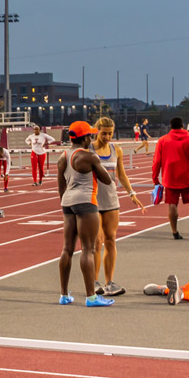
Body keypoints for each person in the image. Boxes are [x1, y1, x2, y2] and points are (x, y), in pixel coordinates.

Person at [56, 121, 115, 307]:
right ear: (85, 138)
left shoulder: (63, 156)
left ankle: (64, 295)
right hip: (86, 201)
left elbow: (60, 187)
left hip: (68, 202)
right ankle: (91, 297)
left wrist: (66, 202)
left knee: (67, 249)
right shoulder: (89, 157)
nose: (91, 138)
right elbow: (107, 180)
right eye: (90, 135)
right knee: (88, 249)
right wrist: (97, 163)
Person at [90, 116, 144, 297]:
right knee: (96, 243)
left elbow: (121, 174)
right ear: (97, 130)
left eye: (110, 133)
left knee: (111, 240)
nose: (106, 137)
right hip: (93, 200)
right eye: (104, 133)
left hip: (111, 200)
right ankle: (94, 281)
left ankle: (109, 282)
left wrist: (132, 194)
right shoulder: (88, 149)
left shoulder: (116, 150)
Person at [153, 116, 189, 239]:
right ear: (183, 126)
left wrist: (155, 179)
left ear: (171, 127)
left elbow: (156, 161)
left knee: (172, 204)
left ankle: (175, 231)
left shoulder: (163, 140)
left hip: (170, 177)